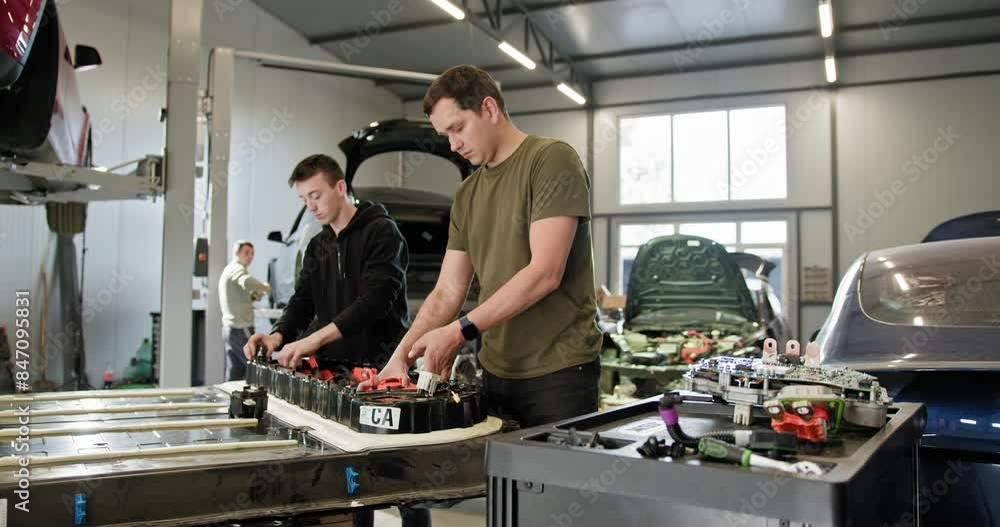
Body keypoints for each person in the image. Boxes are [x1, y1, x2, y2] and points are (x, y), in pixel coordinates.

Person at [364, 65, 603, 428]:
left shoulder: (551, 159)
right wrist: (401, 356)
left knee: (558, 484)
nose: (453, 144)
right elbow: (447, 291)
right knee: (500, 484)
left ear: (489, 109)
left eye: (457, 128)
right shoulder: (467, 193)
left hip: (559, 373)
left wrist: (459, 330)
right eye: (445, 135)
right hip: (495, 372)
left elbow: (545, 272)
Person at [243, 154, 409, 371]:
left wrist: (312, 340)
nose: (311, 206)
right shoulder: (317, 246)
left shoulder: (382, 232)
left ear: (340, 188)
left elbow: (374, 303)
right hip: (332, 370)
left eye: (315, 196)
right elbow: (302, 302)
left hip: (380, 368)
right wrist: (276, 336)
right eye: (304, 199)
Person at [219, 241, 270, 381]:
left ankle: (229, 399)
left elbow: (239, 294)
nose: (250, 257)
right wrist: (264, 287)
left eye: (252, 253)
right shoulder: (237, 268)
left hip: (230, 329)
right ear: (236, 253)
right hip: (241, 329)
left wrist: (252, 296)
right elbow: (246, 281)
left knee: (235, 370)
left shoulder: (228, 270)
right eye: (246, 253)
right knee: (257, 367)